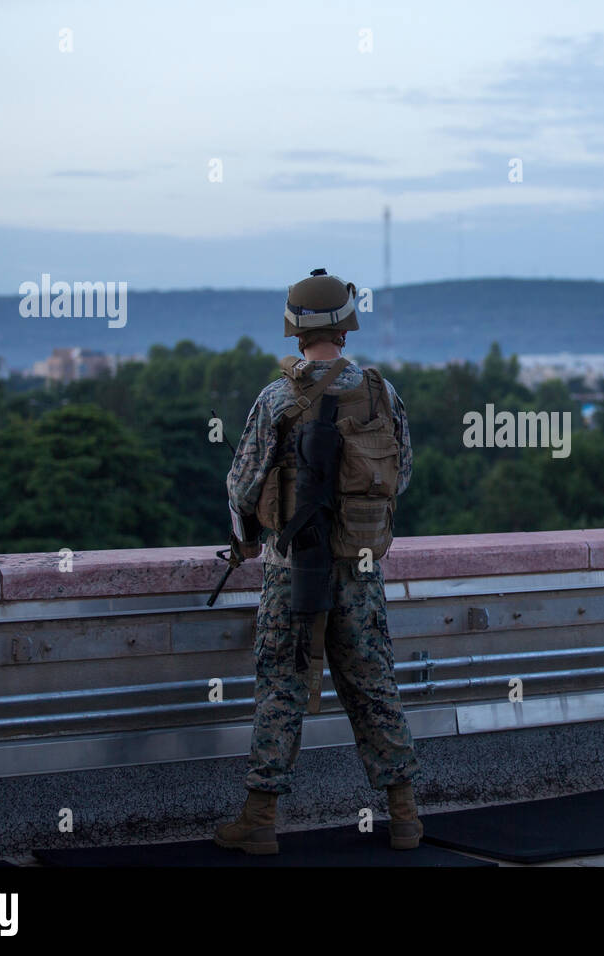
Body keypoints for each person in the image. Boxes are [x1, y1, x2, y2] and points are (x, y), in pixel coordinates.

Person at [214, 268, 422, 855]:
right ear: (347, 324)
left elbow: (242, 486)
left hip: (290, 568)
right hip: (359, 566)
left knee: (281, 686)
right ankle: (405, 816)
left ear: (294, 329)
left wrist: (247, 539)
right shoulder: (381, 392)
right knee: (373, 683)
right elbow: (398, 477)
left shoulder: (277, 397)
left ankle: (259, 822)